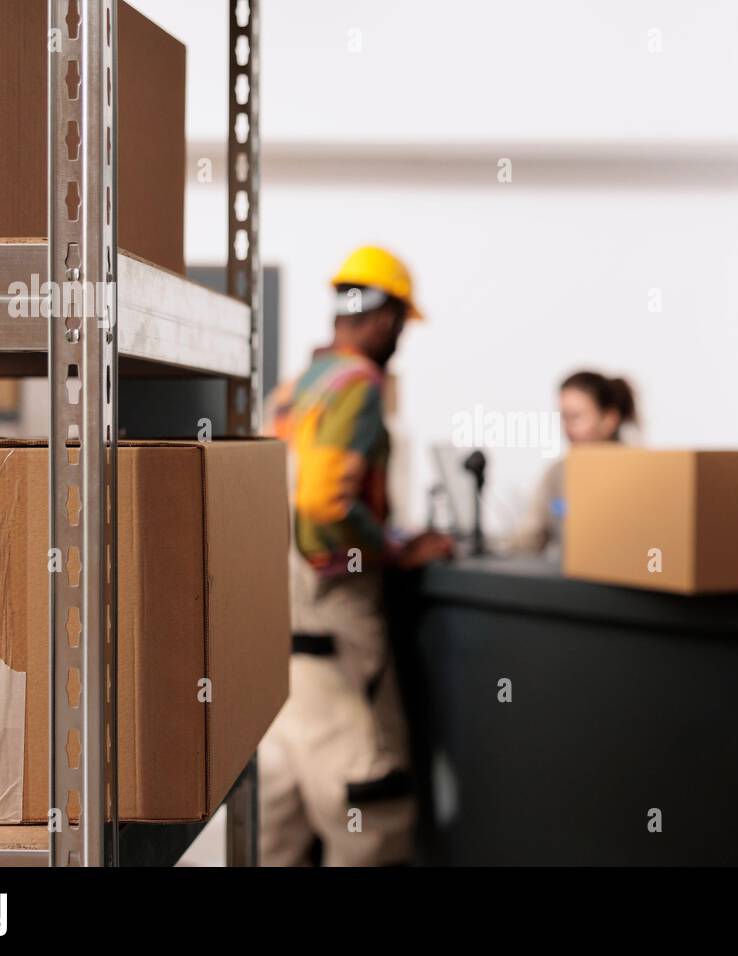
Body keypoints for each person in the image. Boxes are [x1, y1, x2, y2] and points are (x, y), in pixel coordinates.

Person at [258, 246, 454, 866]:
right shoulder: (360, 386)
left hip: (281, 634)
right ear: (386, 317)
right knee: (370, 808)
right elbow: (322, 504)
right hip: (336, 626)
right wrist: (394, 547)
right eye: (401, 325)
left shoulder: (295, 390)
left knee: (280, 820)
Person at [511, 370, 638, 555]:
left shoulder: (640, 473)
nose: (568, 429)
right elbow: (528, 538)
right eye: (564, 417)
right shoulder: (557, 474)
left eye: (576, 417)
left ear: (609, 420)